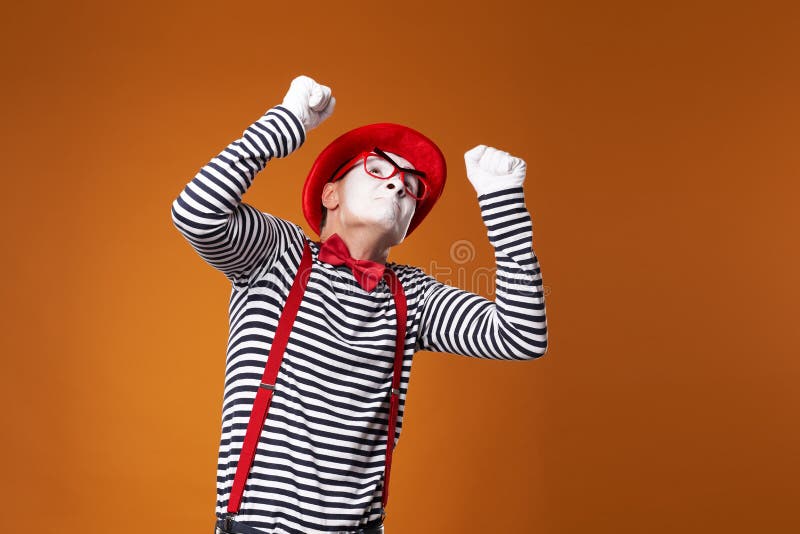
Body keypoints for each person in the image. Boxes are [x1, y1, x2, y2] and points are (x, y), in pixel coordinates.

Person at [171, 75, 549, 534]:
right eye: (378, 170)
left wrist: (502, 203)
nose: (398, 188)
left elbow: (522, 334)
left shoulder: (413, 295)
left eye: (412, 187)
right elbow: (196, 212)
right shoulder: (276, 255)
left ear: (408, 224)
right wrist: (286, 122)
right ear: (329, 194)